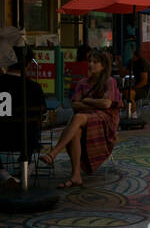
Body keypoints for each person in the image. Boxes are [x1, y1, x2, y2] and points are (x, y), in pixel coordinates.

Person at [41, 49, 121, 186]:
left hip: (105, 120)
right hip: (87, 117)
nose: (90, 64)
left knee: (77, 118)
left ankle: (53, 153)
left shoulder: (109, 81)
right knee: (76, 130)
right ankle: (76, 175)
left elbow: (106, 103)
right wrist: (93, 104)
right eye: (89, 61)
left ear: (103, 66)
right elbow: (74, 105)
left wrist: (87, 101)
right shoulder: (82, 83)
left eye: (95, 62)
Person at [0, 43, 47, 188]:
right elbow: (40, 119)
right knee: (33, 131)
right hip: (27, 141)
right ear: (28, 64)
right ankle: (24, 169)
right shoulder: (34, 88)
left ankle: (2, 173)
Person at [121, 43, 149, 118]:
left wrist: (134, 88)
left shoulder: (142, 63)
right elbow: (122, 75)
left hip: (144, 88)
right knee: (119, 91)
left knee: (129, 93)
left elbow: (144, 81)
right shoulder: (130, 62)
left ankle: (134, 114)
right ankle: (125, 109)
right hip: (136, 86)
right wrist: (120, 64)